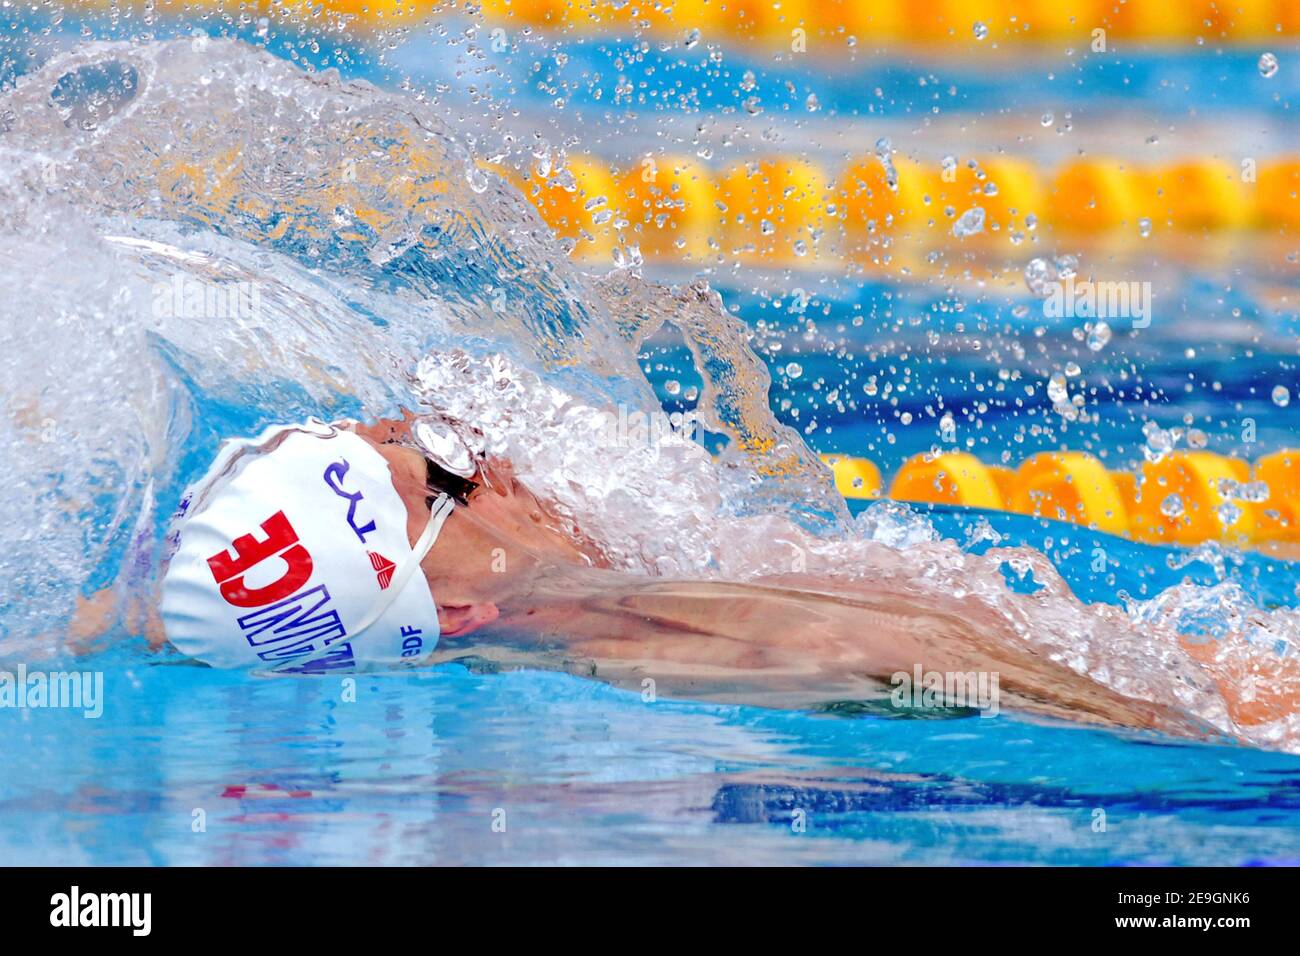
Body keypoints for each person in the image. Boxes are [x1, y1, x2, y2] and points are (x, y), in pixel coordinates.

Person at [84, 414, 1295, 743]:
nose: (490, 451)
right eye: (447, 469)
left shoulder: (497, 641)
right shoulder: (684, 621)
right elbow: (1118, 709)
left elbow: (165, 618)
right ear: (446, 607)